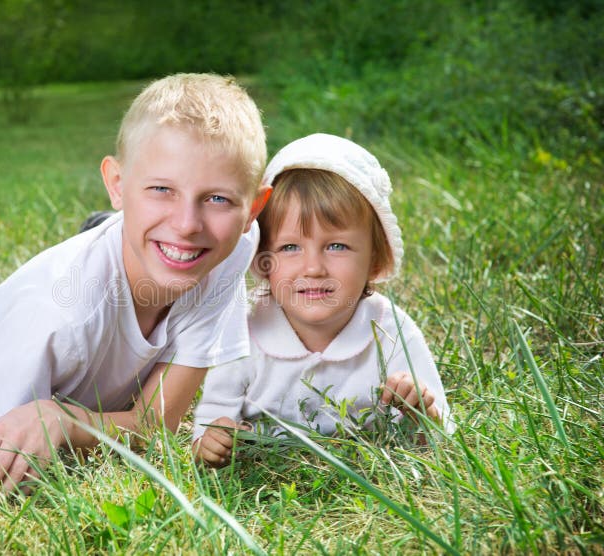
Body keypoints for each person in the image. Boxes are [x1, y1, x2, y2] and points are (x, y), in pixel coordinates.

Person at [0, 73, 272, 493]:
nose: (187, 225)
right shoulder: (54, 317)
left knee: (2, 305)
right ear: (117, 186)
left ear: (253, 209)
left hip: (30, 311)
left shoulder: (231, 250)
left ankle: (114, 229)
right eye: (162, 189)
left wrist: (65, 420)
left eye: (217, 199)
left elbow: (154, 425)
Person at [192, 133, 453, 468]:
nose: (313, 268)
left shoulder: (391, 331)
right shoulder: (244, 329)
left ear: (375, 260)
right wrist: (211, 440)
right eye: (290, 247)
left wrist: (422, 409)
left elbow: (441, 434)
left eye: (336, 246)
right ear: (262, 260)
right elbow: (212, 421)